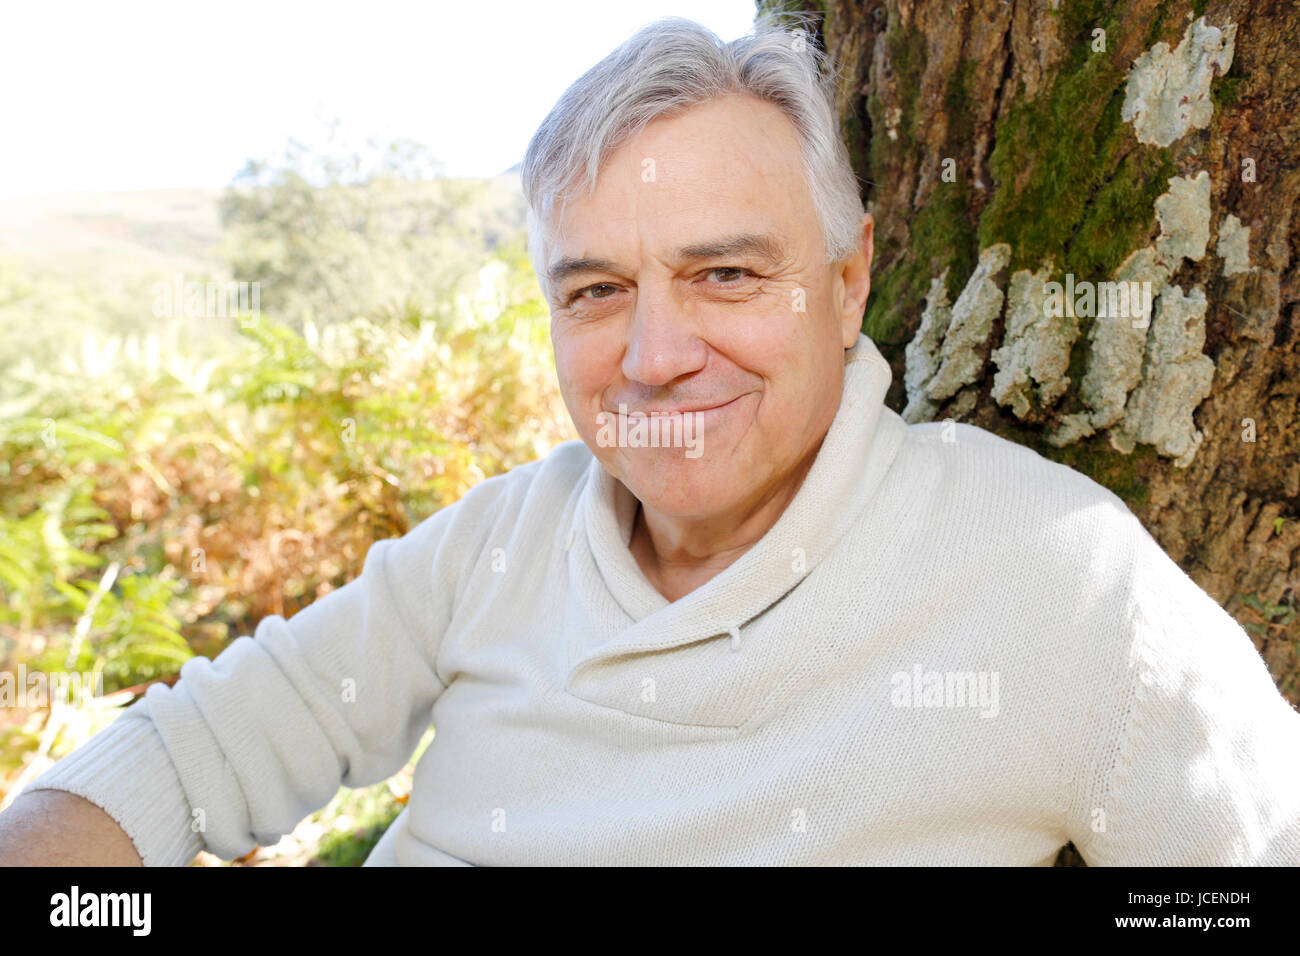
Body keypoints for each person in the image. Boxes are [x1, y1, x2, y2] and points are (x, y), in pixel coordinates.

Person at [3, 14, 1298, 867]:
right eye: (596, 289)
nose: (652, 353)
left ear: (848, 285)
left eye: (727, 274)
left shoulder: (1052, 581)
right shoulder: (493, 548)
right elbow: (161, 769)